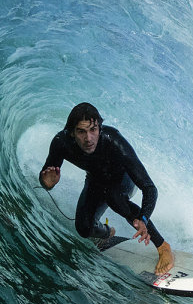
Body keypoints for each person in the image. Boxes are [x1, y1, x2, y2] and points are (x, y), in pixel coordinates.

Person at [39, 102, 174, 275]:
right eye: (81, 131)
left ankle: (163, 247)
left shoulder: (113, 141)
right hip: (95, 181)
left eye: (93, 130)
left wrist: (144, 218)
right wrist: (47, 184)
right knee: (83, 228)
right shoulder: (61, 143)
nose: (89, 138)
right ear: (72, 133)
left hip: (122, 181)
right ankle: (108, 233)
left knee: (113, 196)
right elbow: (46, 179)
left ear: (100, 128)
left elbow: (149, 188)